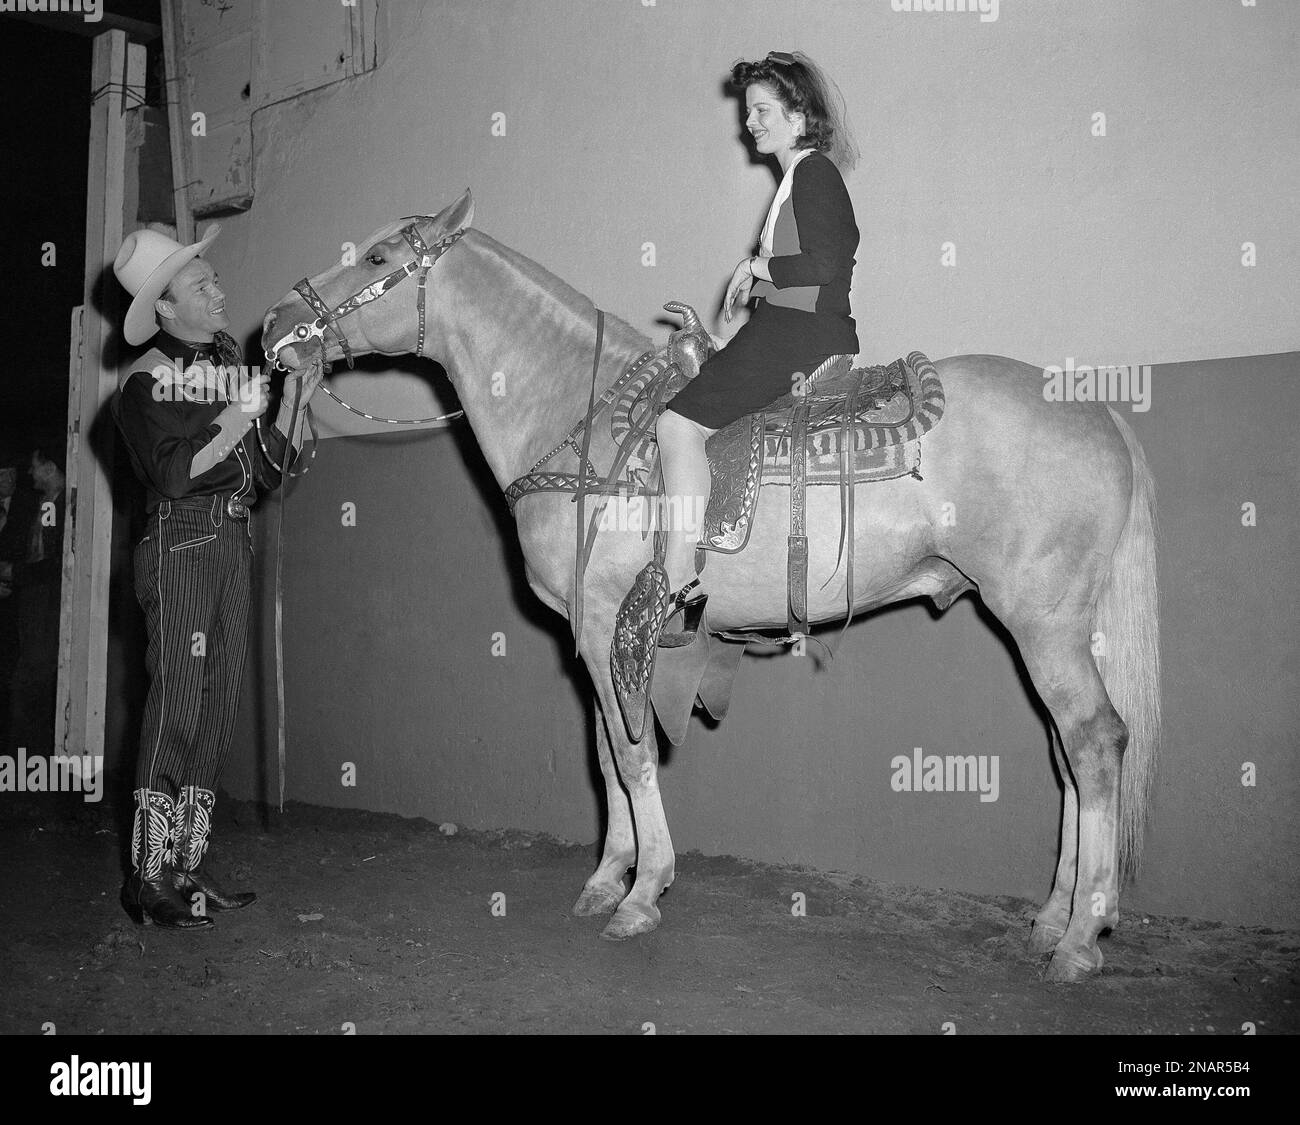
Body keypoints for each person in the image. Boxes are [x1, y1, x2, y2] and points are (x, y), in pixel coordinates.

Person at [111, 223, 322, 929]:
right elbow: (173, 473)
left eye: (214, 277)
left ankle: (187, 866)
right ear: (165, 308)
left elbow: (268, 471)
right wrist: (239, 412)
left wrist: (294, 395)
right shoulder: (146, 382)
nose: (218, 288)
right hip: (182, 541)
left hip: (232, 535)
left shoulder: (231, 369)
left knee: (219, 699)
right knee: (177, 700)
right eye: (200, 283)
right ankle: (148, 876)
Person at [623, 51, 861, 653]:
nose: (750, 122)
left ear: (800, 114)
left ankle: (678, 586)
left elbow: (825, 267)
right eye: (749, 110)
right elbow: (797, 281)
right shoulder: (795, 180)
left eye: (762, 110)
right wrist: (723, 339)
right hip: (785, 332)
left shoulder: (813, 175)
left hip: (801, 337)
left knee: (676, 427)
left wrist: (755, 266)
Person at [3, 446, 66, 757]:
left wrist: (16, 572)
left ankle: (31, 752)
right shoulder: (45, 505)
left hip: (46, 604)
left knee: (35, 674)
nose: (29, 473)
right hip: (32, 601)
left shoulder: (64, 506)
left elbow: (54, 564)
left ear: (50, 467)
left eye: (34, 466)